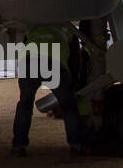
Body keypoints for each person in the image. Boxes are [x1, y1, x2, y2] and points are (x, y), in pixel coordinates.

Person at [11, 22, 84, 158]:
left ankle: (18, 146)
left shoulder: (34, 25)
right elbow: (75, 58)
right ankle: (76, 146)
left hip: (29, 61)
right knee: (68, 106)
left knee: (25, 104)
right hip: (54, 61)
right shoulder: (68, 27)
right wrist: (73, 84)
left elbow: (25, 43)